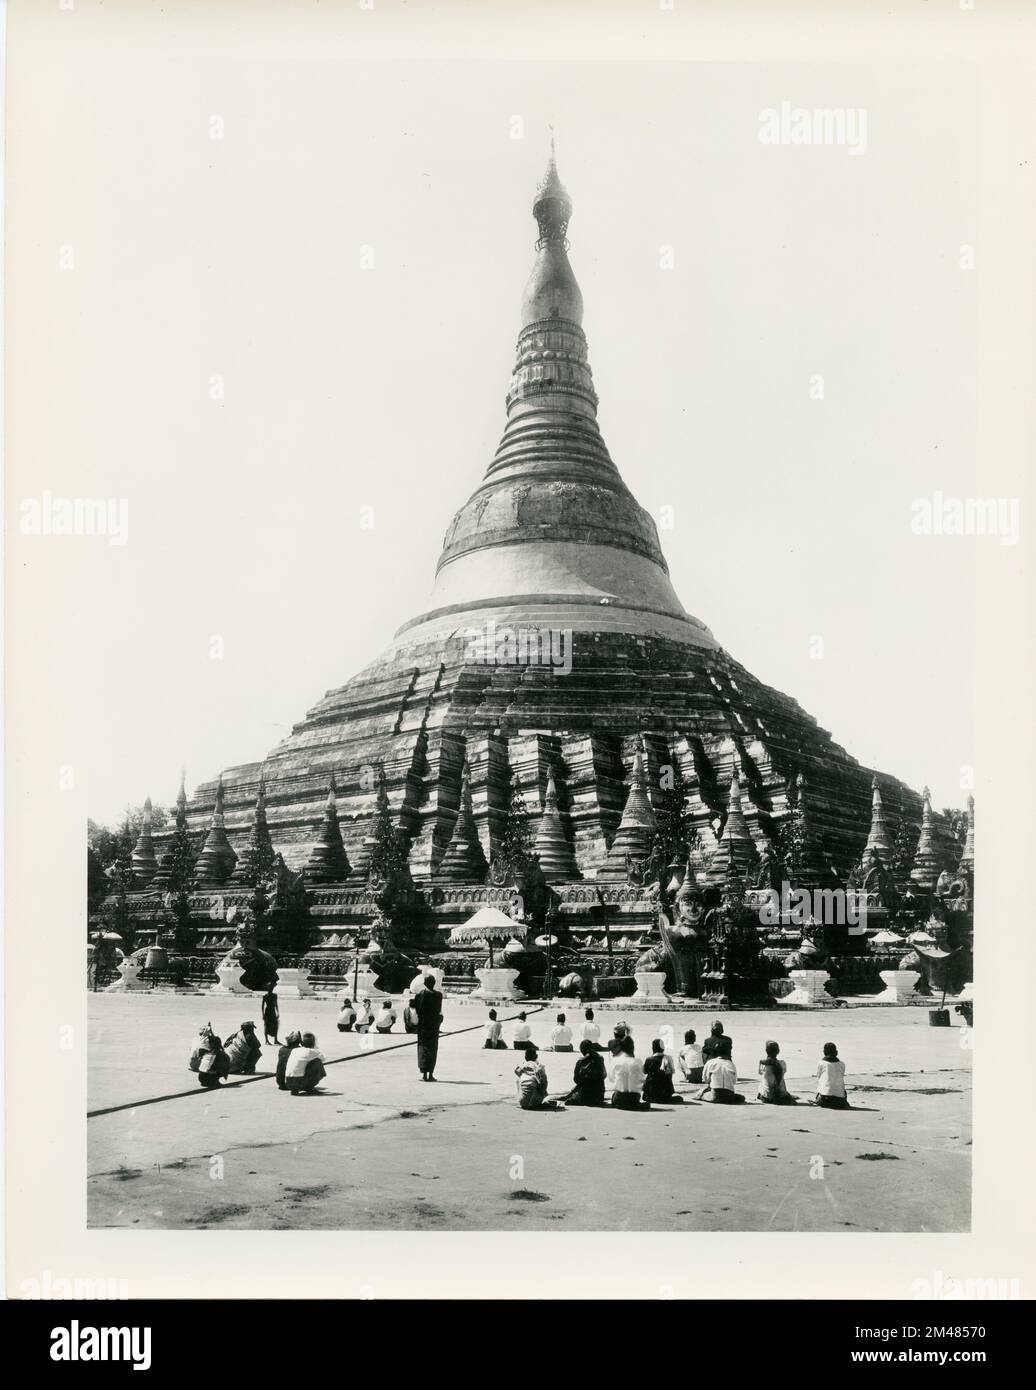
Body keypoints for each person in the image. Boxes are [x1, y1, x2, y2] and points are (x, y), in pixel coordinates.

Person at [414, 973, 443, 1081]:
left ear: (425, 983)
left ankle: (424, 1075)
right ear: (434, 983)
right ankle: (431, 1074)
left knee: (423, 1048)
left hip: (423, 1025)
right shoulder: (438, 995)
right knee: (433, 1048)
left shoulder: (421, 995)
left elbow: (418, 1010)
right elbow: (439, 1010)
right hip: (434, 1024)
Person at [514, 1045, 562, 1110]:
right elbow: (544, 1086)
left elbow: (516, 1071)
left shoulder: (521, 1067)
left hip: (522, 1102)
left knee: (518, 1080)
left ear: (525, 1057)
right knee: (540, 1083)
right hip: (534, 1103)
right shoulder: (539, 1067)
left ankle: (523, 1098)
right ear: (536, 1057)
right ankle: (536, 1101)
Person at [698, 1037, 744, 1104]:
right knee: (737, 1097)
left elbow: (705, 1079)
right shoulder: (731, 1064)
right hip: (729, 1096)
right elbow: (734, 1081)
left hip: (715, 1095)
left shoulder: (710, 1063)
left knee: (701, 1093)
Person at [609, 1035, 648, 1110]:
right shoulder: (638, 1062)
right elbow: (642, 1080)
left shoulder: (615, 1061)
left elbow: (611, 1078)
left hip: (619, 1098)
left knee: (615, 1094)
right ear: (633, 1048)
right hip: (634, 1098)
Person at [563, 1040, 607, 1106]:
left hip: (586, 1097)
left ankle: (569, 1096)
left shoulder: (580, 1062)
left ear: (582, 1050)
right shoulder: (600, 1059)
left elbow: (576, 1080)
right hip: (599, 1097)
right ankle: (569, 1095)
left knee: (569, 1101)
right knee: (587, 1081)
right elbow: (604, 1075)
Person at [188, 1024, 230, 1088]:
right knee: (224, 1061)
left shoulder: (196, 1040)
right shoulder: (217, 1054)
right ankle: (215, 1082)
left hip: (198, 1073)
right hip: (208, 1078)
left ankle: (210, 1081)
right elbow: (216, 1041)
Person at [643, 1037, 681, 1104]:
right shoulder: (669, 1058)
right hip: (666, 1093)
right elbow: (670, 1074)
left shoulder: (649, 1059)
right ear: (663, 1048)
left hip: (652, 1093)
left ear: (653, 1048)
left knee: (649, 1076)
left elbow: (644, 1072)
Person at [812, 1041, 850, 1109]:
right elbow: (841, 1076)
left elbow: (819, 1076)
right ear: (836, 1052)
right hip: (840, 1101)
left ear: (824, 1052)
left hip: (825, 1099)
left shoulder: (821, 1063)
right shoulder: (842, 1064)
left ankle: (818, 1099)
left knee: (822, 1083)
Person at [757, 1039, 795, 1104]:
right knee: (780, 1082)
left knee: (763, 1081)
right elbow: (783, 1072)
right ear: (778, 1051)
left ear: (766, 1051)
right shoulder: (783, 1064)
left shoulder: (763, 1065)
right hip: (781, 1096)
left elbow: (760, 1073)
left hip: (767, 1097)